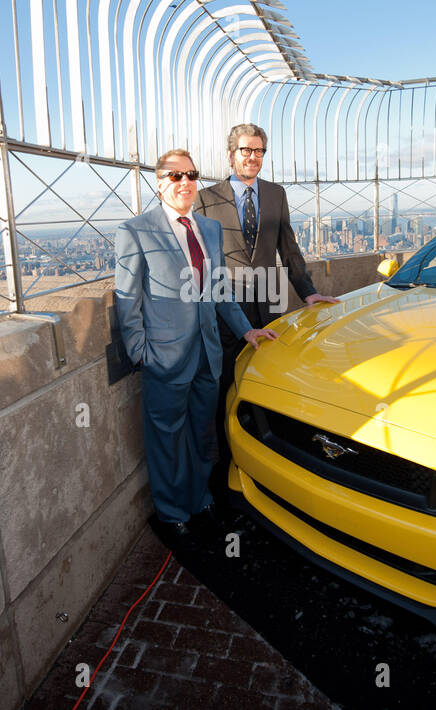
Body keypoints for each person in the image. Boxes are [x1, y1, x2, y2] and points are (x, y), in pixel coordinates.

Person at [114, 149, 277, 539]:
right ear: (159, 183)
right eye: (175, 177)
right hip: (164, 358)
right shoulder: (134, 230)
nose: (185, 182)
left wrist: (245, 331)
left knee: (203, 432)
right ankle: (172, 512)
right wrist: (141, 354)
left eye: (191, 175)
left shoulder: (209, 229)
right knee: (167, 437)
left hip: (208, 352)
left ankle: (200, 498)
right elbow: (127, 299)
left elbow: (219, 288)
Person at [196, 124, 340, 439]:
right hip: (225, 310)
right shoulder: (205, 199)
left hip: (268, 305)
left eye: (259, 150)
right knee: (224, 387)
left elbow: (288, 248)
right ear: (231, 153)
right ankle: (226, 455)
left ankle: (266, 443)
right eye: (246, 150)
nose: (253, 157)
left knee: (266, 382)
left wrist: (309, 293)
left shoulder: (276, 194)